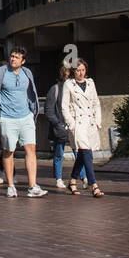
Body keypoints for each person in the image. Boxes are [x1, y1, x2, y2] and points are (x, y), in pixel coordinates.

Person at [0, 48, 47, 197]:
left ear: (23, 61)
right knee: (9, 151)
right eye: (12, 56)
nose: (13, 59)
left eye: (16, 57)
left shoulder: (26, 73)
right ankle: (10, 185)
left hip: (25, 116)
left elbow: (31, 93)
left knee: (31, 150)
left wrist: (32, 111)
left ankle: (32, 186)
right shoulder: (0, 72)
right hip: (7, 118)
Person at [62, 59, 104, 197]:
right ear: (74, 71)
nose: (80, 73)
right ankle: (94, 185)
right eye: (78, 70)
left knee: (82, 154)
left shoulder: (91, 83)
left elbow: (96, 102)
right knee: (87, 153)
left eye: (83, 70)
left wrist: (98, 120)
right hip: (78, 123)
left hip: (90, 123)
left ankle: (73, 181)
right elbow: (64, 106)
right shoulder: (69, 85)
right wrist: (71, 124)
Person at [45, 61, 85, 190]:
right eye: (68, 76)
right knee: (58, 153)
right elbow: (49, 110)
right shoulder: (55, 89)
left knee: (79, 152)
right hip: (60, 127)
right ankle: (59, 178)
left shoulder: (75, 88)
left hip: (74, 126)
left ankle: (84, 177)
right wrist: (58, 124)